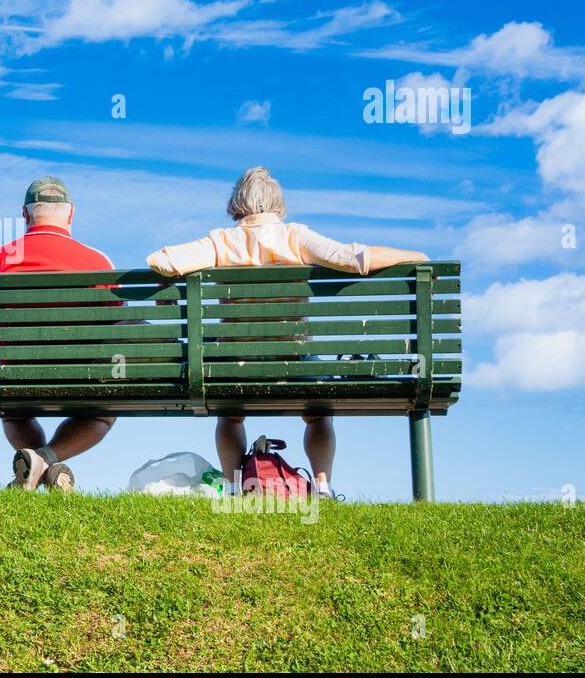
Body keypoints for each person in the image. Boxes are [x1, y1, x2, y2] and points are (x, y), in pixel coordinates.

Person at [146, 166, 429, 498]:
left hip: (234, 366)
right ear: (278, 204)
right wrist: (416, 256)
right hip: (294, 362)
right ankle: (322, 486)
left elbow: (161, 260)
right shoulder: (296, 236)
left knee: (230, 414)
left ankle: (235, 488)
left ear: (237, 202)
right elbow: (352, 259)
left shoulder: (221, 242)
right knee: (318, 413)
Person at [0, 177, 117, 493]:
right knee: (104, 413)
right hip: (80, 378)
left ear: (25, 215)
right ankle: (47, 461)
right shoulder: (97, 261)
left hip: (15, 378)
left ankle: (36, 465)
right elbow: (114, 327)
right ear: (70, 214)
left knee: (14, 413)